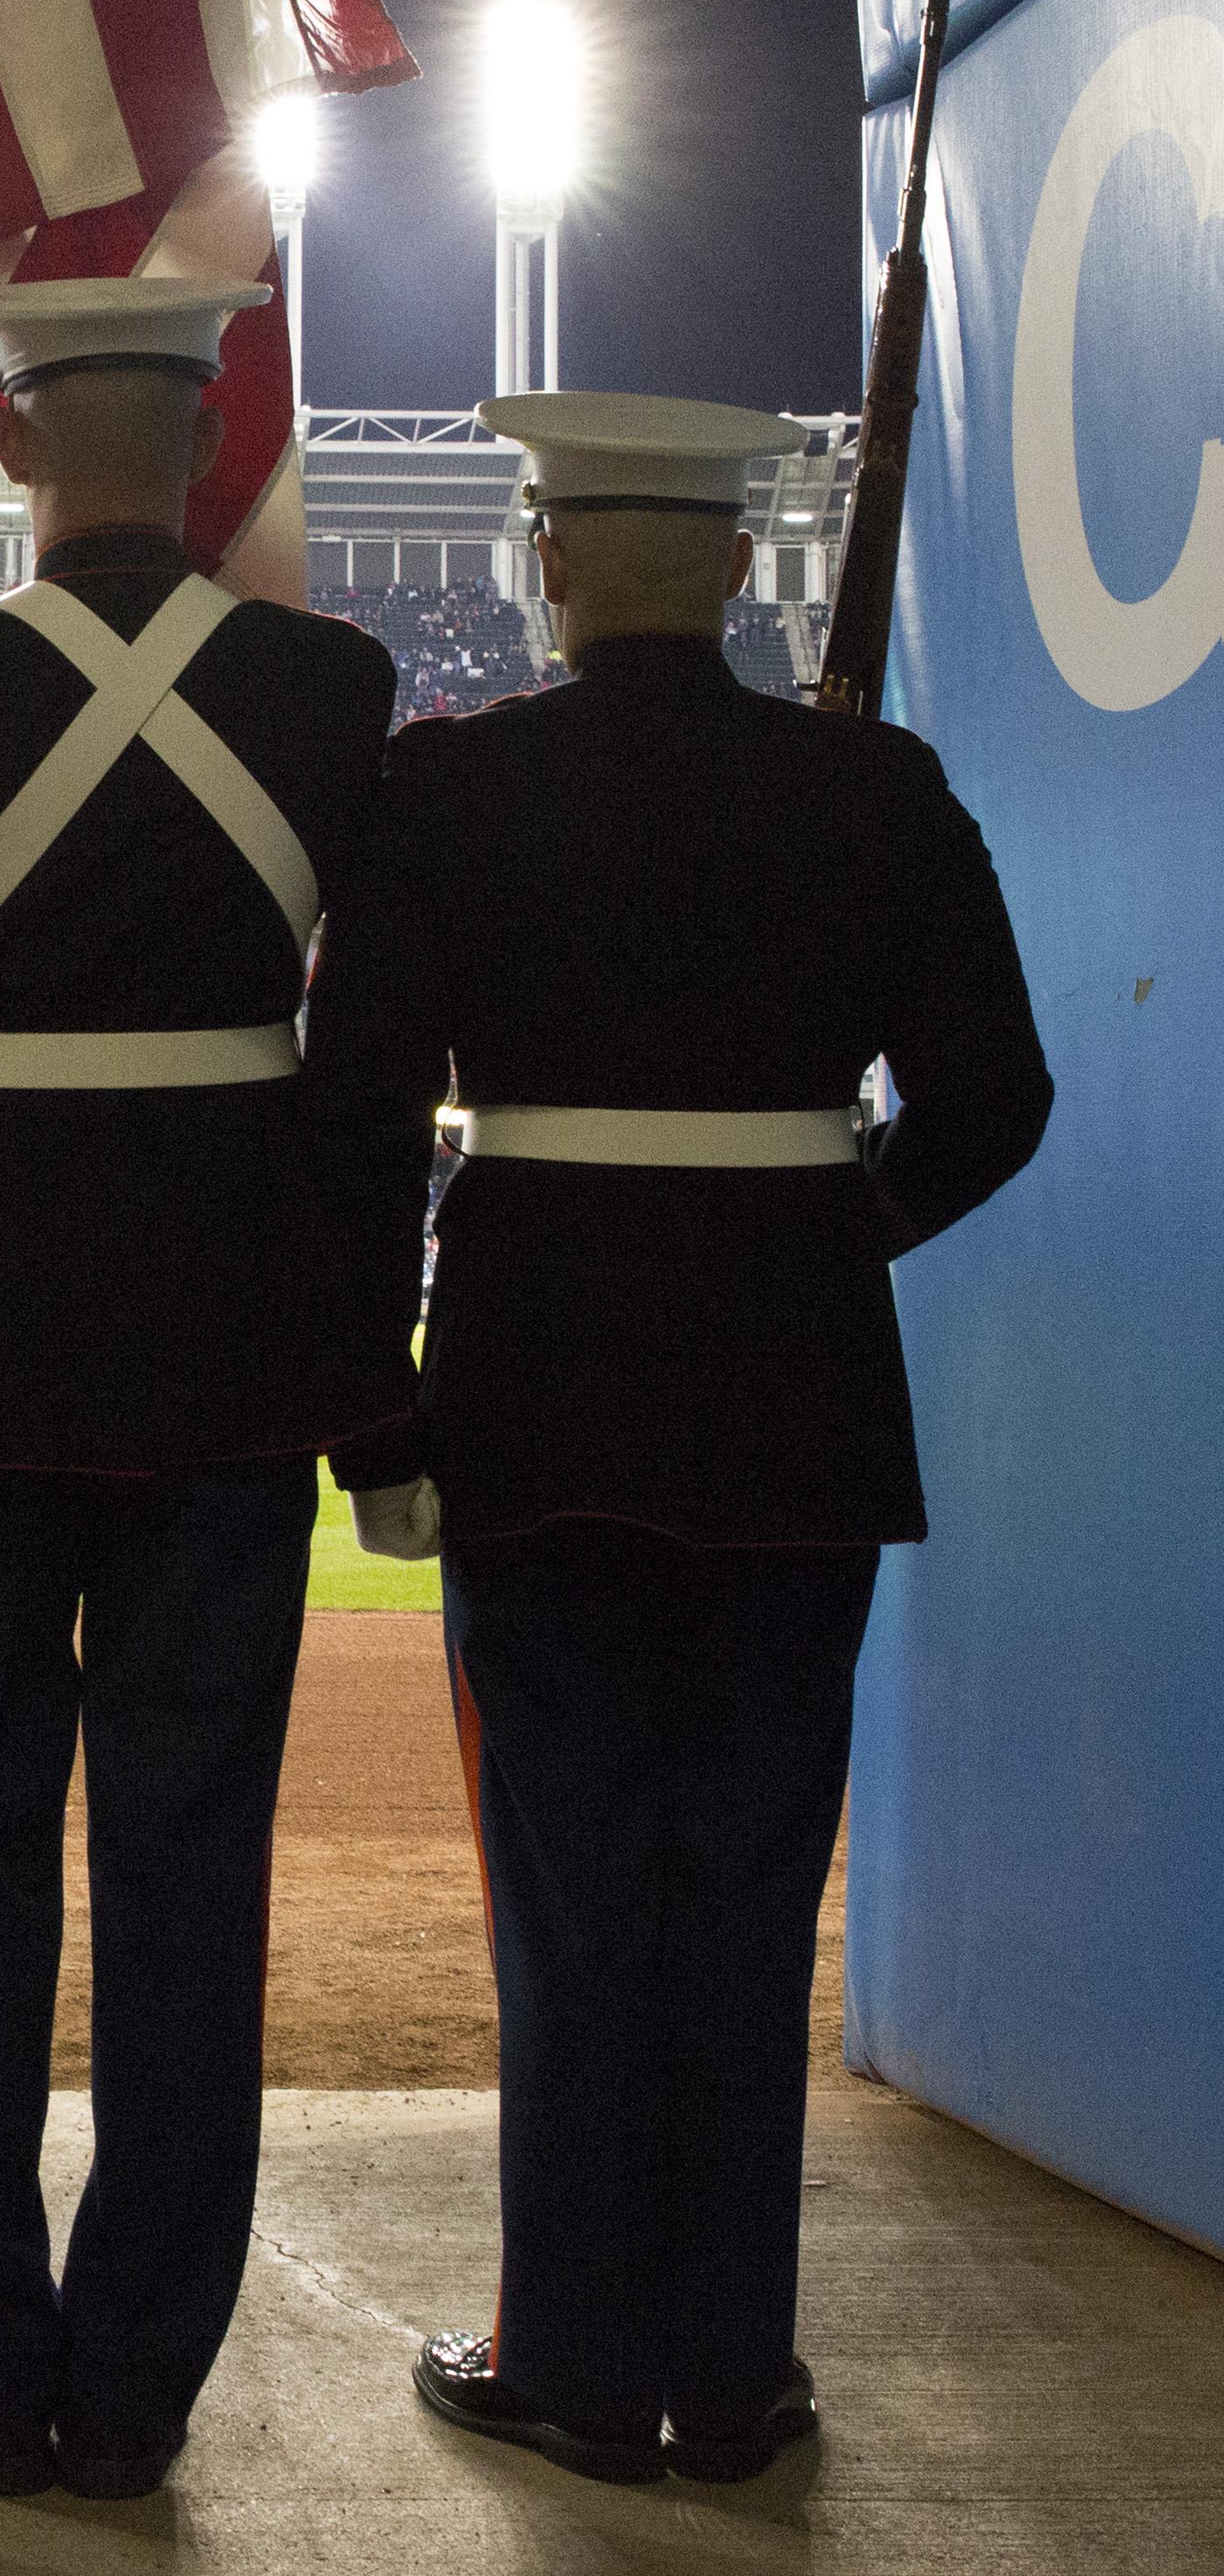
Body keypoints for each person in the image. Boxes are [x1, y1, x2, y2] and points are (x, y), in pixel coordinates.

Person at [306, 389, 1053, 2487]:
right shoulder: (876, 789)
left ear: (550, 561)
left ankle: (572, 2353)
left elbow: (359, 1116)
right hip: (793, 1396)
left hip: (539, 1377)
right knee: (743, 1885)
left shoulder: (444, 792)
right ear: (737, 565)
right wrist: (822, 1227)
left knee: (567, 1892)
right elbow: (994, 1104)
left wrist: (373, 1403)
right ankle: (728, 2374)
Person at [0, 279, 404, 2502]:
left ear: (10, 444)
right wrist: (359, 1356)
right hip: (225, 1350)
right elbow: (370, 1084)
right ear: (208, 440)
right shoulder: (332, 694)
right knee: (186, 1882)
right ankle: (134, 2386)